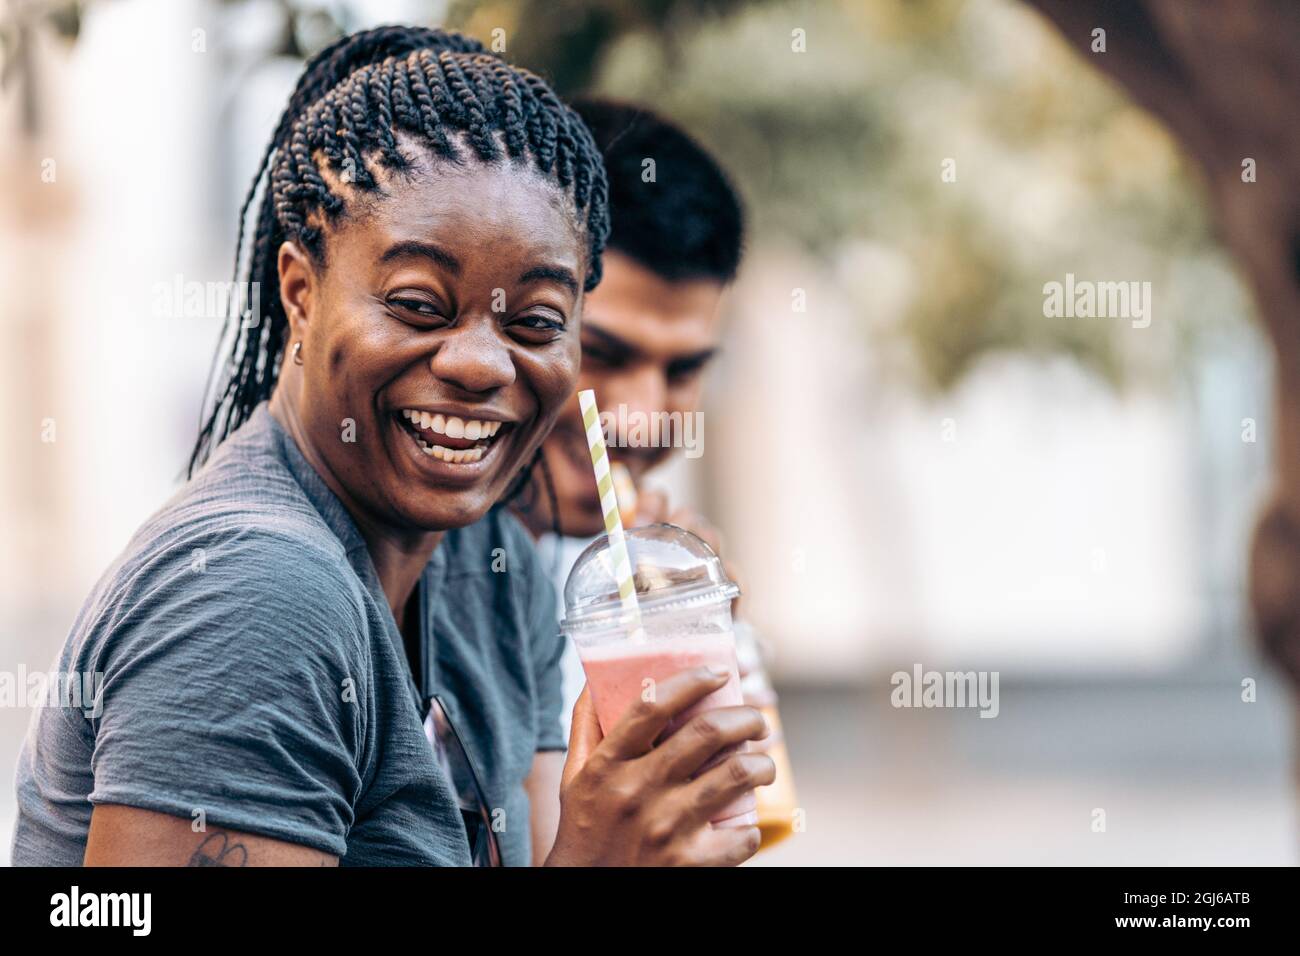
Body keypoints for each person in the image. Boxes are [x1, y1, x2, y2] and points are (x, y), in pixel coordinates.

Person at [11, 27, 772, 867]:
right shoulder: (259, 595)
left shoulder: (488, 565)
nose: (482, 363)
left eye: (536, 322)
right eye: (418, 303)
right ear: (299, 291)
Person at [512, 98, 797, 847]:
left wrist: (727, 656)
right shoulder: (399, 580)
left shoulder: (649, 594)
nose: (641, 419)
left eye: (682, 369)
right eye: (603, 354)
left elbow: (752, 828)